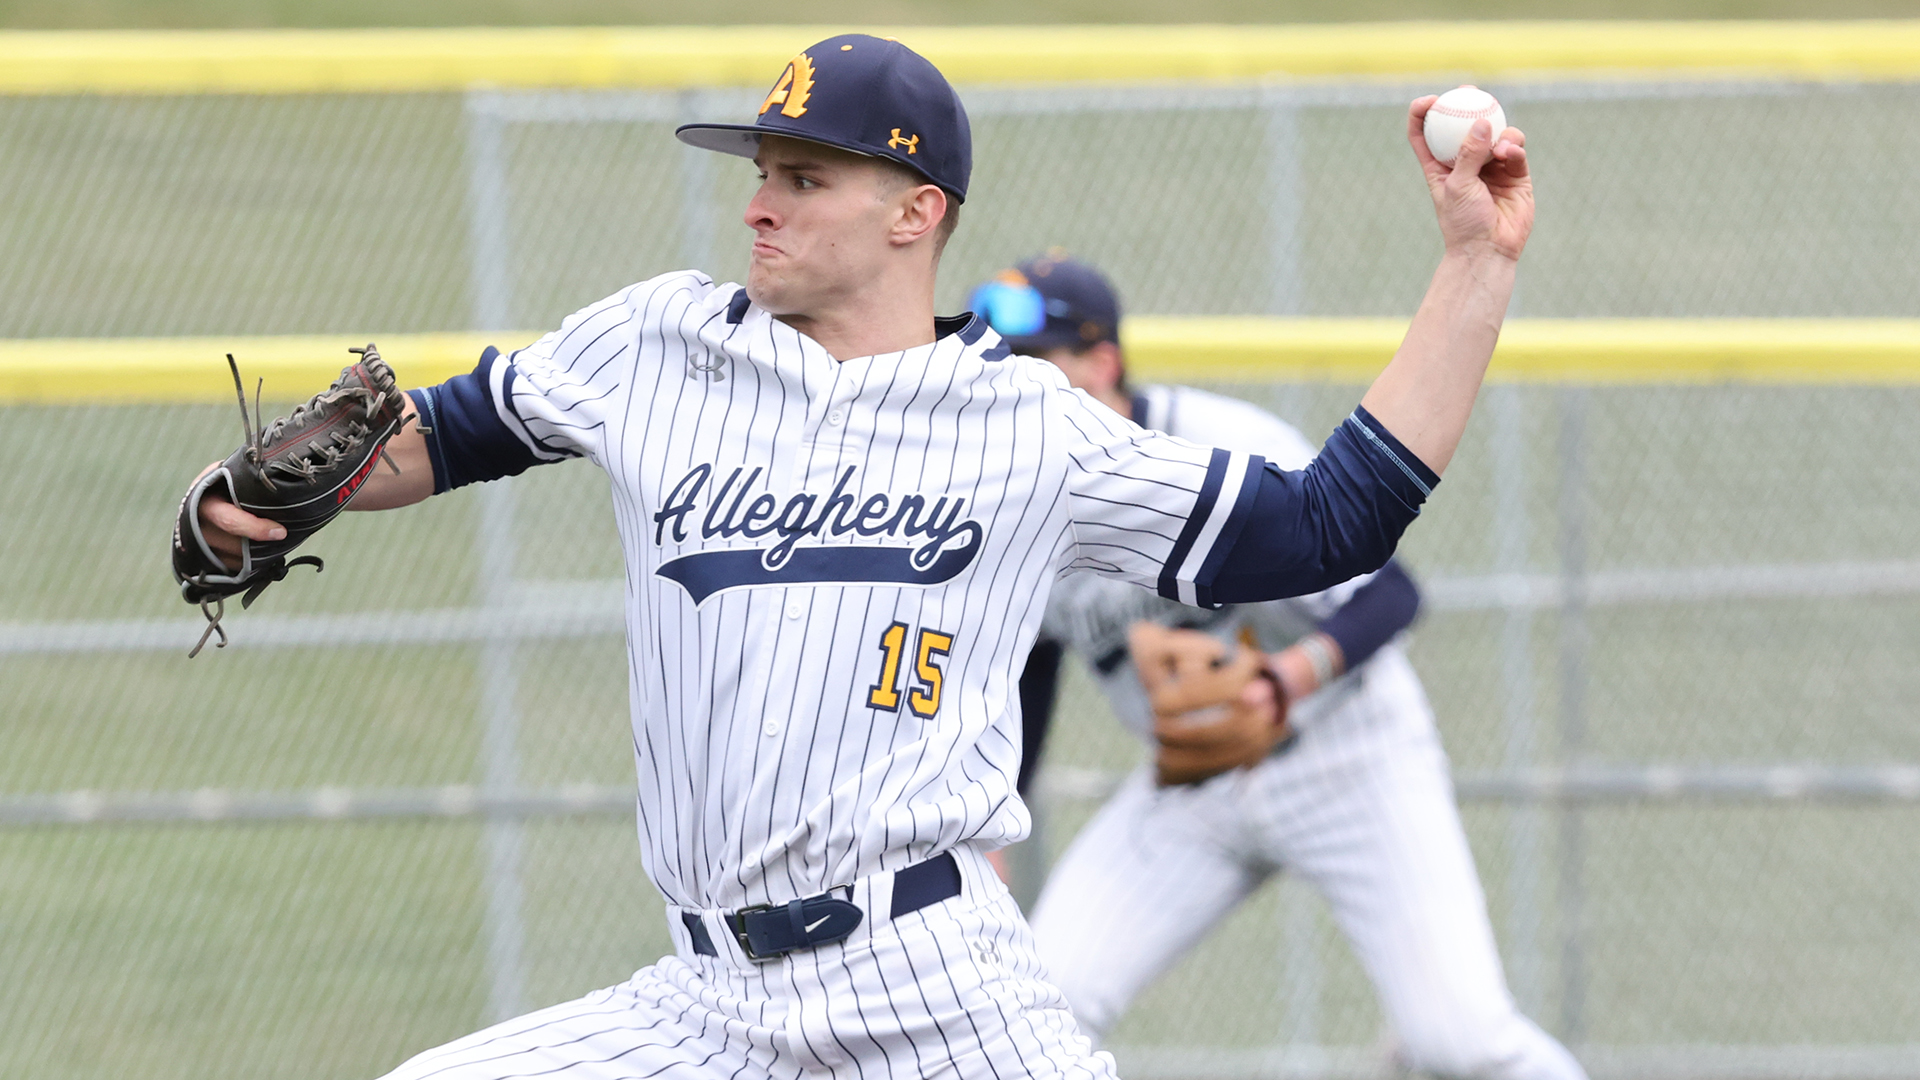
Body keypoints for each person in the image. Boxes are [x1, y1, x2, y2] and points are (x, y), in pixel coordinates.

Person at [185, 34, 1532, 1080]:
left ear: (913, 212)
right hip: (707, 1007)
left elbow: (1328, 524)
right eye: (761, 172)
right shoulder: (656, 347)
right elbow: (437, 435)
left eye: (805, 177)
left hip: (939, 993)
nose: (761, 205)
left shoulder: (1027, 429)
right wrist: (252, 502)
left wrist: (1473, 261)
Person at [977, 255, 1585, 1080]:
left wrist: (1285, 681)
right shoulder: (1011, 494)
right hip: (1192, 786)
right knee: (1031, 1006)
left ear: (1104, 366)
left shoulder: (1223, 444)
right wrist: (992, 820)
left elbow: (1394, 597)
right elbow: (1034, 665)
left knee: (1463, 1042)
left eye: (1035, 361)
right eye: (999, 362)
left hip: (1347, 754)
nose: (1012, 382)